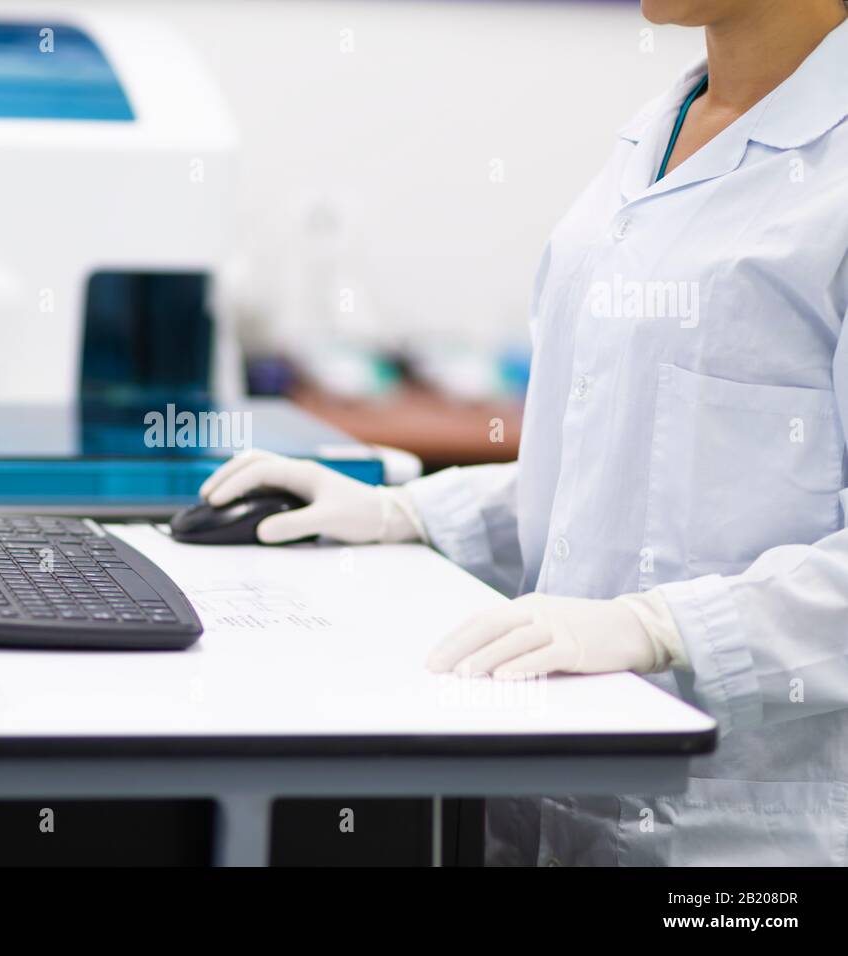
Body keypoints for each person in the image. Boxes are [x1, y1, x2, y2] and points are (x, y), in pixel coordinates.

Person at [200, 0, 848, 866]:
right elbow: (618, 463)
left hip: (738, 849)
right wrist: (411, 514)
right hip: (539, 807)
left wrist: (668, 627)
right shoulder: (660, 130)